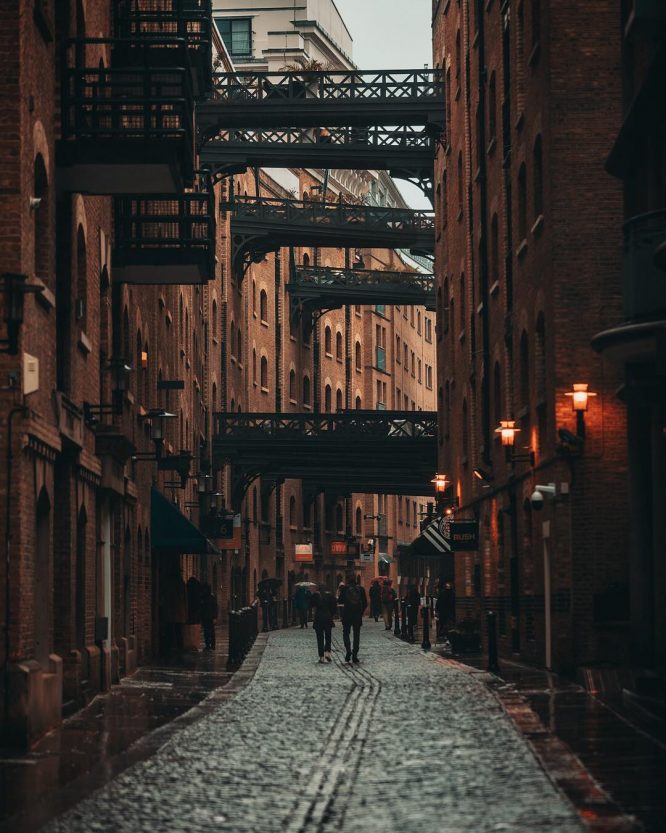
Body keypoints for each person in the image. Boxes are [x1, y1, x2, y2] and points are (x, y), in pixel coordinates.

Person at [340, 577, 367, 664]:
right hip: (357, 615)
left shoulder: (345, 589)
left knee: (346, 633)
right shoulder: (361, 589)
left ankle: (348, 650)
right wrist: (361, 612)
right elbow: (365, 603)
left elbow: (340, 600)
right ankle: (355, 654)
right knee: (356, 634)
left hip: (347, 614)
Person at [311, 585, 337, 663]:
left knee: (320, 638)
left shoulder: (316, 595)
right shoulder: (330, 596)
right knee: (328, 636)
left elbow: (311, 604)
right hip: (328, 617)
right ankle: (327, 653)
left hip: (318, 617)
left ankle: (321, 656)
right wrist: (331, 614)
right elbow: (334, 608)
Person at [200, 583, 218, 650]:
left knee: (210, 631)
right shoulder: (205, 597)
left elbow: (215, 608)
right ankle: (209, 645)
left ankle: (211, 645)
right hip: (206, 616)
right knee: (207, 631)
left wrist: (215, 617)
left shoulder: (210, 597)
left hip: (209, 617)